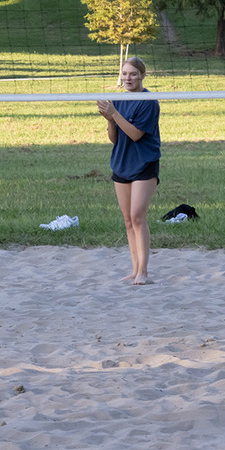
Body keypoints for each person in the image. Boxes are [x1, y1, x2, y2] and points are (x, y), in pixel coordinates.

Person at [95, 56, 160, 285]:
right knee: (127, 220)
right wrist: (110, 120)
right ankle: (134, 270)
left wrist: (114, 114)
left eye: (132, 73)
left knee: (138, 217)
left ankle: (143, 271)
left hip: (144, 163)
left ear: (142, 75)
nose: (128, 78)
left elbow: (135, 134)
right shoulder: (118, 101)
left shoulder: (148, 100)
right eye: (124, 74)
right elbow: (114, 138)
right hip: (122, 163)